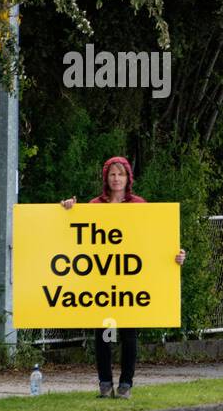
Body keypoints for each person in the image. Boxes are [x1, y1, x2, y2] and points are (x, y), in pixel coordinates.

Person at [61, 156, 186, 398]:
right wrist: (68, 209)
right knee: (104, 335)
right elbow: (75, 232)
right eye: (112, 174)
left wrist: (177, 255)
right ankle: (105, 383)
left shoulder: (139, 205)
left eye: (121, 174)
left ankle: (126, 383)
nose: (116, 178)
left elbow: (155, 240)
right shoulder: (94, 206)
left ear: (128, 178)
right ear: (106, 178)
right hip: (102, 282)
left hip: (131, 282)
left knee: (129, 335)